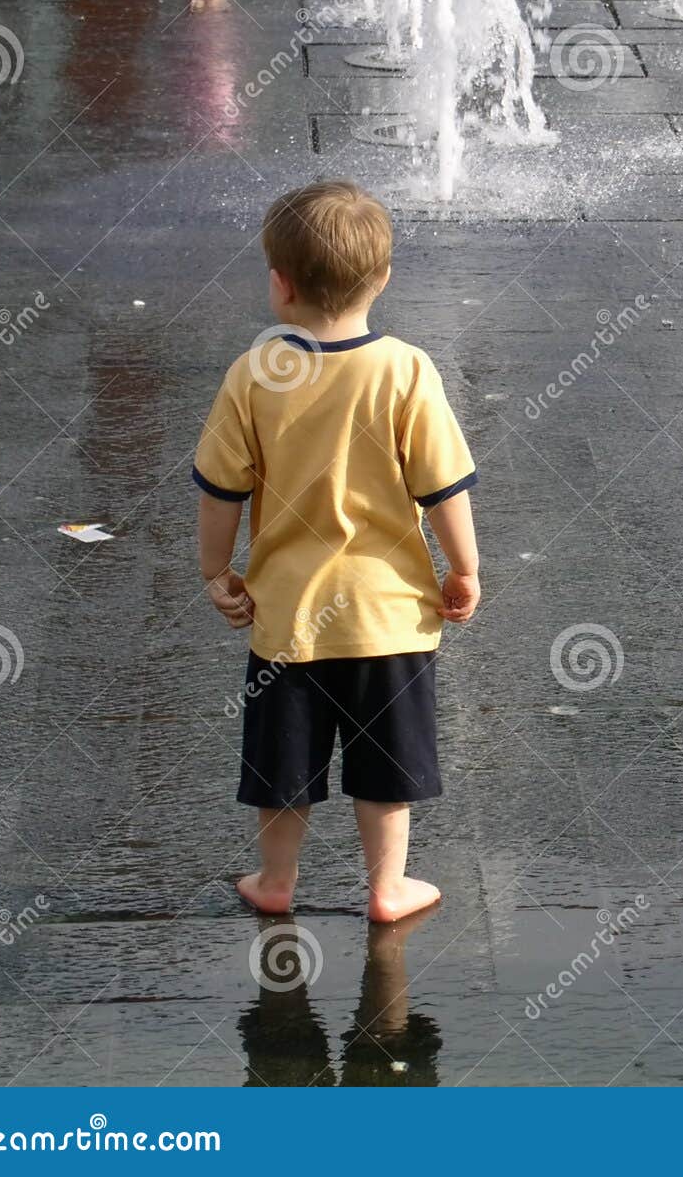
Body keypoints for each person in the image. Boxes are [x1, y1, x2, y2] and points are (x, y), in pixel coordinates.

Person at [193, 180, 482, 924]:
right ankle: (388, 887)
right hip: (389, 618)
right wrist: (465, 569)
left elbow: (220, 491)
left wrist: (217, 573)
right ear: (382, 280)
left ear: (281, 285)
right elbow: (445, 488)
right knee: (386, 766)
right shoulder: (407, 370)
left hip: (290, 616)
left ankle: (276, 880)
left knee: (282, 764)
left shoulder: (255, 375)